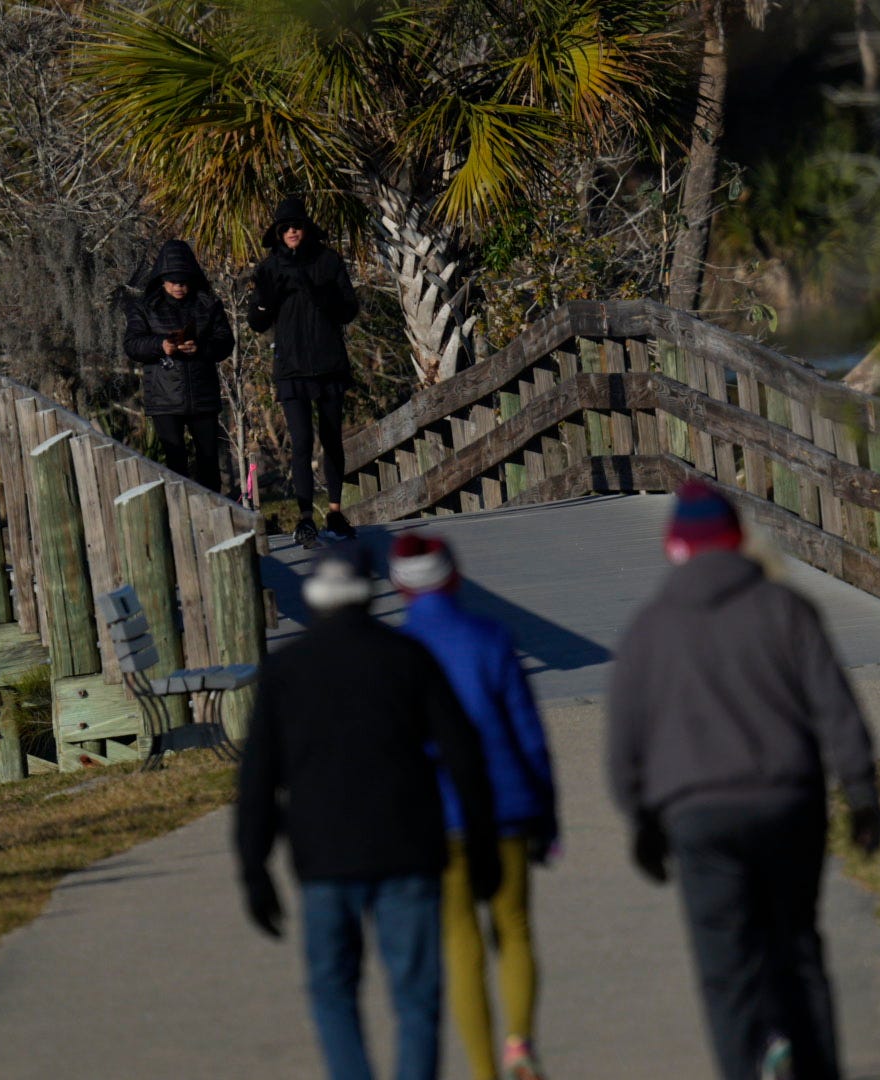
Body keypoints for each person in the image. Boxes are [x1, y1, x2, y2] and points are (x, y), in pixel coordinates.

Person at [606, 481, 880, 1080]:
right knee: (797, 952)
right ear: (737, 540)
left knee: (725, 969)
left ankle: (743, 1066)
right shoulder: (786, 609)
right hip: (787, 803)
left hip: (697, 816)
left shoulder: (649, 630)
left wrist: (641, 823)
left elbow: (624, 741)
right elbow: (836, 708)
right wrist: (861, 793)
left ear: (671, 545)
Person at [236, 544, 502, 1080]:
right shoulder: (408, 658)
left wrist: (253, 866)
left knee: (333, 991)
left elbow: (258, 777)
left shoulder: (286, 671)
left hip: (323, 855)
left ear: (313, 597)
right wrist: (482, 844)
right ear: (370, 595)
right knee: (415, 995)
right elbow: (464, 754)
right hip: (408, 849)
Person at [391, 534, 559, 1080]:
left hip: (435, 817)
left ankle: (484, 1070)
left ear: (398, 587)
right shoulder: (491, 638)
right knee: (513, 926)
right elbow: (527, 732)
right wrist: (545, 809)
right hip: (503, 805)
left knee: (459, 944)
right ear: (454, 577)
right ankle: (520, 1041)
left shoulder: (396, 654)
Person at [247, 196, 360, 549]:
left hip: (327, 363)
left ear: (306, 228)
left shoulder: (328, 261)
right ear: (277, 233)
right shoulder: (269, 269)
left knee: (331, 438)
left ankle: (336, 511)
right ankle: (305, 518)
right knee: (301, 442)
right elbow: (256, 321)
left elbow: (348, 310)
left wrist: (317, 291)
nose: (292, 231)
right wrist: (266, 299)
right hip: (292, 367)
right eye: (285, 227)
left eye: (296, 226)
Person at [123, 239, 236, 495]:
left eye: (183, 280)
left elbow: (225, 342)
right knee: (175, 466)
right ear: (162, 279)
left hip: (202, 396)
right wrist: (161, 345)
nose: (179, 286)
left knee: (209, 463)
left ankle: (214, 514)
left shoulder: (208, 304)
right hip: (164, 398)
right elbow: (132, 344)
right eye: (173, 280)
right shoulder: (143, 307)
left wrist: (201, 349)